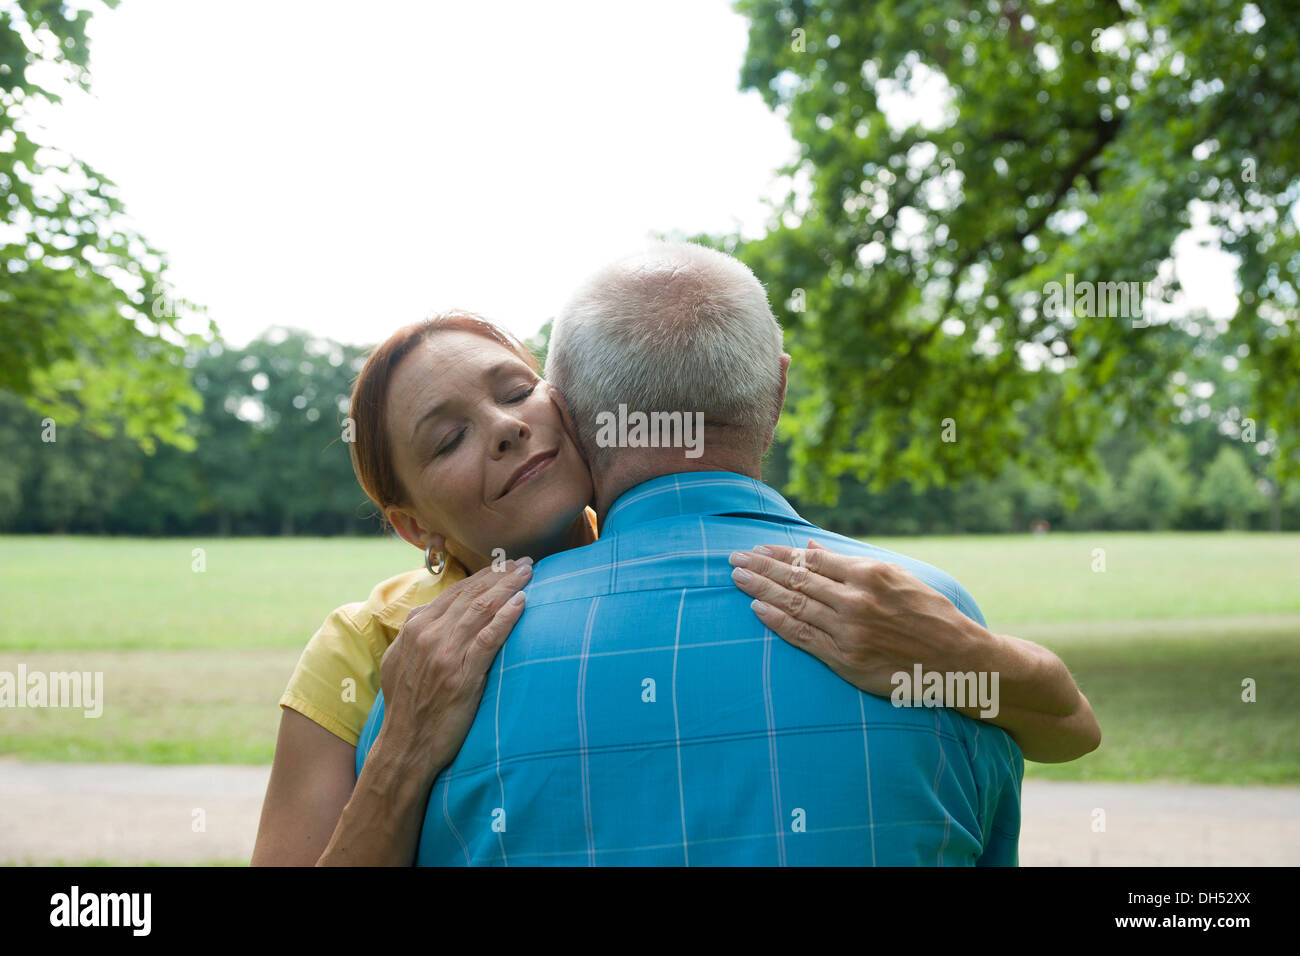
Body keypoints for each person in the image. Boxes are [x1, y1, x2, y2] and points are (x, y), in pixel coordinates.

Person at [353, 241, 1097, 865]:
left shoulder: (432, 681)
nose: (506, 430)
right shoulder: (921, 614)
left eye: (518, 393)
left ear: (569, 415)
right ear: (776, 392)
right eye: (448, 439)